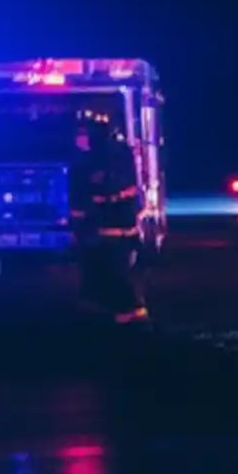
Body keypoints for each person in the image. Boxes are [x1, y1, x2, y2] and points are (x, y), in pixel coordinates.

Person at [69, 114, 147, 325]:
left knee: (115, 270)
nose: (80, 139)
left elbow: (116, 188)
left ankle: (128, 309)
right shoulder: (92, 159)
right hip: (105, 228)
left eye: (84, 134)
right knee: (99, 269)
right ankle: (110, 307)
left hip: (113, 227)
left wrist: (90, 208)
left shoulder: (108, 159)